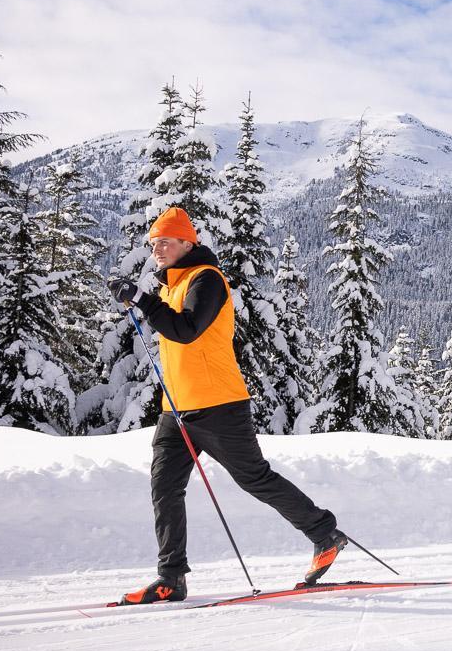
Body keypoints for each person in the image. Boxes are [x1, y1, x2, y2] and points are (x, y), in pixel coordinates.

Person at [106, 206, 352, 603]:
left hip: (220, 405)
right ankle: (171, 578)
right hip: (177, 410)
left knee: (255, 478)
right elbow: (170, 328)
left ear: (189, 243)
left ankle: (324, 533)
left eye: (166, 242)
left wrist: (142, 301)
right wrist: (145, 300)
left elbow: (185, 331)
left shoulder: (207, 280)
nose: (158, 250)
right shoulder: (171, 285)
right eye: (153, 244)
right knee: (164, 488)